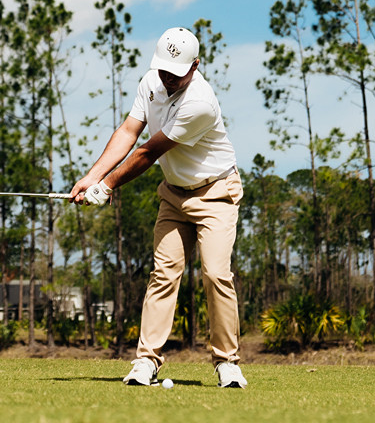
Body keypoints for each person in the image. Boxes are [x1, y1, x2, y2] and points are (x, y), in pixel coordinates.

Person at [70, 26, 246, 388]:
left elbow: (148, 152)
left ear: (195, 66)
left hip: (216, 193)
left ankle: (227, 363)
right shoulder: (151, 81)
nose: (168, 77)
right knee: (163, 274)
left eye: (176, 72)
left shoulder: (199, 103)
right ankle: (146, 362)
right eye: (164, 69)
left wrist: (108, 185)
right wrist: (92, 177)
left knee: (216, 274)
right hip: (174, 194)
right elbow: (128, 132)